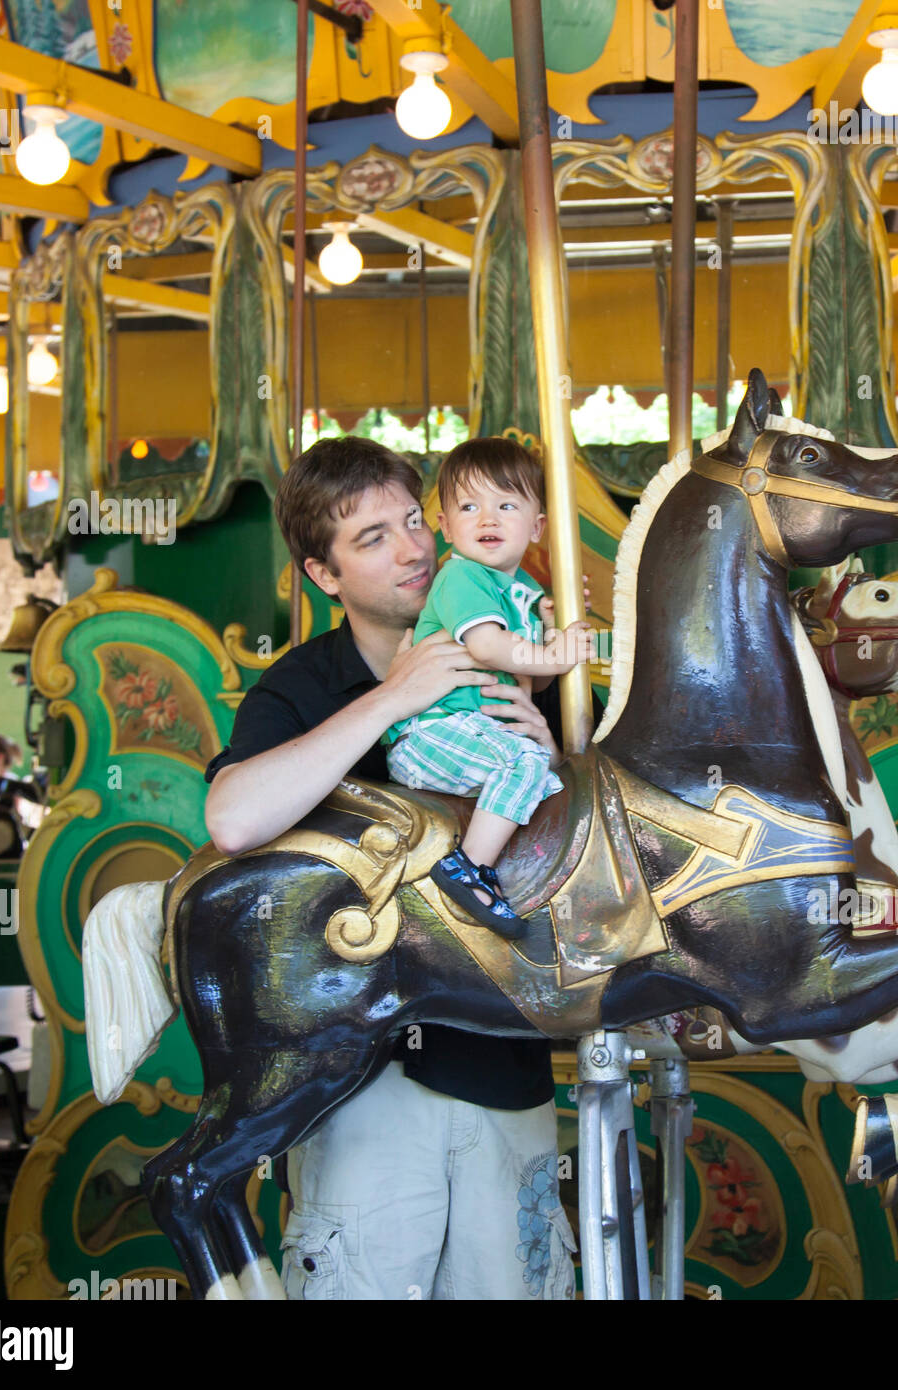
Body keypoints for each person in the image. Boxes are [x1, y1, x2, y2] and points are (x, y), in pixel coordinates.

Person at [203, 435, 578, 1301]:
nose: (412, 548)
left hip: (502, 1059)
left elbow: (571, 861)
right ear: (322, 574)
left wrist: (551, 754)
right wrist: (393, 698)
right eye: (371, 537)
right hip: (360, 1080)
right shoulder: (302, 689)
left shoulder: (517, 661)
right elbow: (230, 820)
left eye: (414, 520)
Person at [383, 438, 593, 939]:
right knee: (524, 764)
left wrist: (550, 634)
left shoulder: (518, 590)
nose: (487, 520)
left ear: (537, 527)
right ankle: (467, 870)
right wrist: (553, 653)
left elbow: (530, 679)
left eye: (506, 505)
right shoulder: (462, 576)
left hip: (471, 732)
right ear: (447, 527)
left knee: (550, 785)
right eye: (469, 507)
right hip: (432, 731)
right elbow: (485, 645)